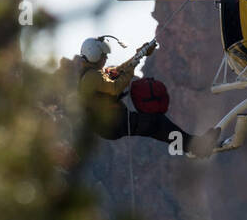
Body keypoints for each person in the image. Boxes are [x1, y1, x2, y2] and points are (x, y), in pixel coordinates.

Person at [76, 37, 217, 157]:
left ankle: (193, 146)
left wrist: (139, 55)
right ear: (94, 56)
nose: (106, 58)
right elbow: (115, 87)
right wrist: (133, 66)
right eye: (103, 56)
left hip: (112, 122)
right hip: (112, 124)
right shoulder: (91, 77)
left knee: (155, 125)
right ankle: (197, 147)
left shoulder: (93, 73)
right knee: (156, 123)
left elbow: (119, 70)